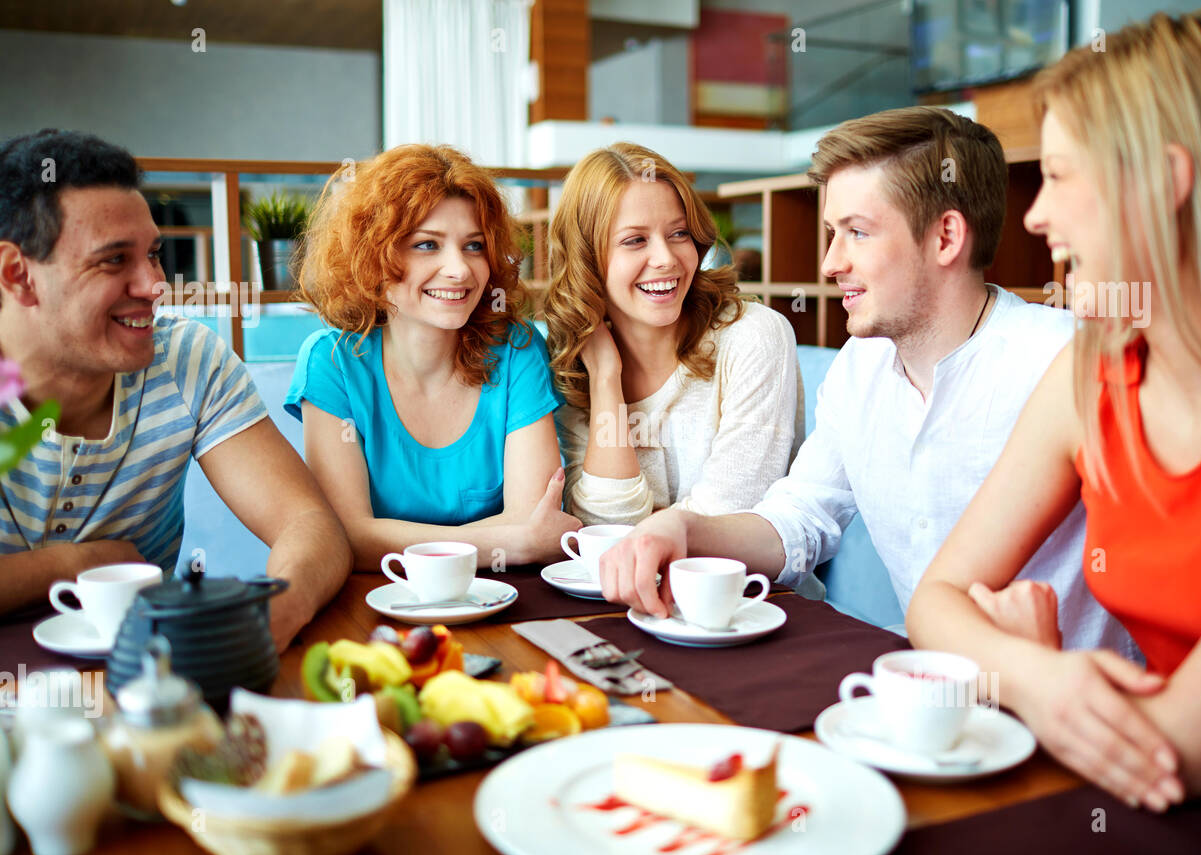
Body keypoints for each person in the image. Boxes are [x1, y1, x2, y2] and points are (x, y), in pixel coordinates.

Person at [907, 10, 1201, 809]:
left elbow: (1180, 749)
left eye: (1059, 176)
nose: (1033, 216)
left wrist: (1027, 679)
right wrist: (1035, 672)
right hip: (1166, 805)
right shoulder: (1091, 376)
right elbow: (934, 602)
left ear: (1166, 179)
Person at [597, 108, 1136, 661]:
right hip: (931, 698)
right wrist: (682, 528)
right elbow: (801, 518)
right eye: (832, 233)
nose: (830, 263)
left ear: (946, 236)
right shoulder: (859, 368)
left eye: (857, 232)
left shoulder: (1068, 362)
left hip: (1080, 714)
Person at [0, 129, 350, 650]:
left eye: (154, 254)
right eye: (114, 260)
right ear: (17, 274)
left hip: (153, 684)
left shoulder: (187, 358)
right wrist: (75, 563)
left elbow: (308, 523)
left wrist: (279, 610)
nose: (154, 285)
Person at [286, 144, 579, 569]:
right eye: (427, 245)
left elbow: (533, 517)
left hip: (500, 597)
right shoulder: (332, 363)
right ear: (374, 256)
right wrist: (513, 542)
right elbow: (347, 534)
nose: (459, 269)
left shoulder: (517, 349)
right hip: (377, 603)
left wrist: (391, 541)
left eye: (474, 246)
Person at [543, 142, 803, 526]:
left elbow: (728, 521)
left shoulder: (754, 336)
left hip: (751, 586)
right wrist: (604, 378)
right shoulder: (575, 360)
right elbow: (602, 522)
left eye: (679, 233)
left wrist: (641, 527)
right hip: (618, 584)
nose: (666, 259)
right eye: (635, 240)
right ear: (587, 261)